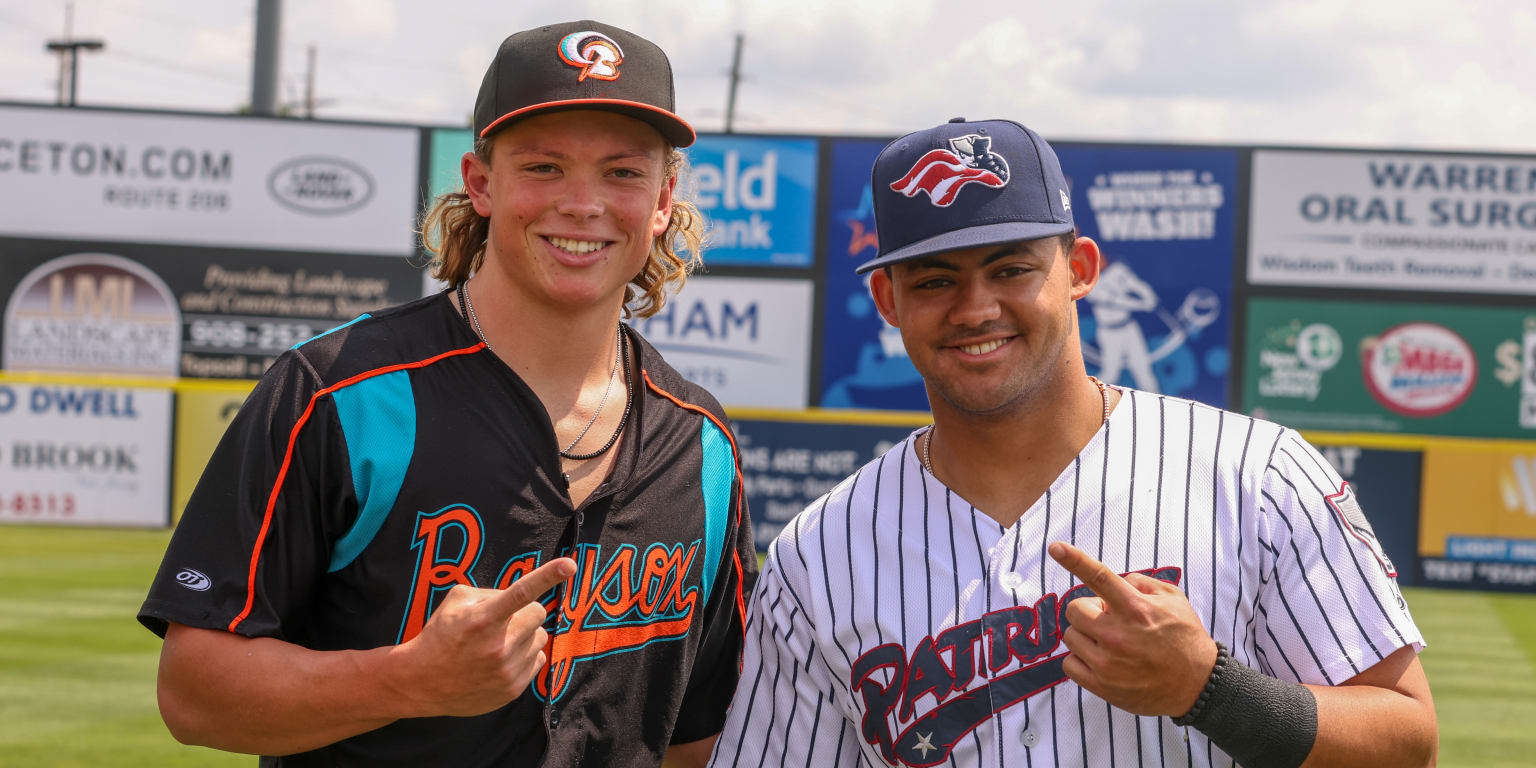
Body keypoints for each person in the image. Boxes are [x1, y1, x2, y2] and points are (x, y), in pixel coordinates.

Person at [707, 118, 1435, 767]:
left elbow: (1410, 742)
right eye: (934, 281)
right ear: (888, 300)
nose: (976, 309)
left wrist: (1211, 690)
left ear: (1080, 270)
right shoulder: (818, 553)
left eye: (1011, 269)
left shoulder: (1256, 477)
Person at [139, 20, 755, 768]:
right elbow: (194, 692)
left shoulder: (700, 443)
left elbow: (698, 737)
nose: (583, 203)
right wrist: (408, 680)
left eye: (622, 173)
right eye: (545, 167)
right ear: (481, 182)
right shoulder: (339, 394)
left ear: (663, 199)